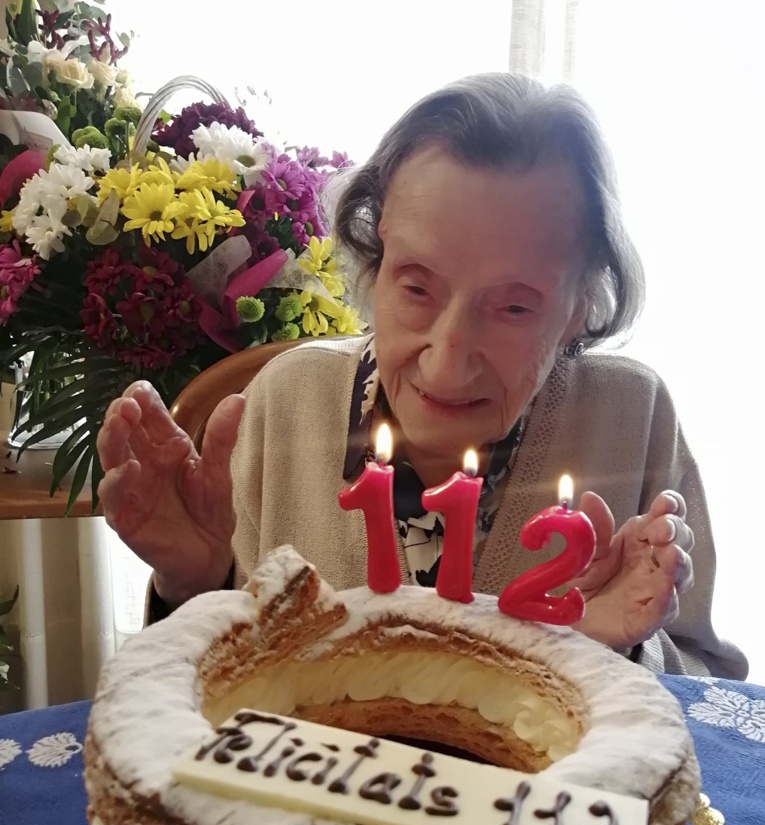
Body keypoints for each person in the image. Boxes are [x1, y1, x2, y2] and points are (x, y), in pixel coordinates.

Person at [97, 73, 747, 679]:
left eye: (514, 308)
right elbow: (215, 684)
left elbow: (711, 690)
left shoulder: (631, 418)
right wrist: (195, 583)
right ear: (377, 255)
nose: (446, 362)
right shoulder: (288, 401)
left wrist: (621, 648)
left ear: (578, 306)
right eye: (416, 288)